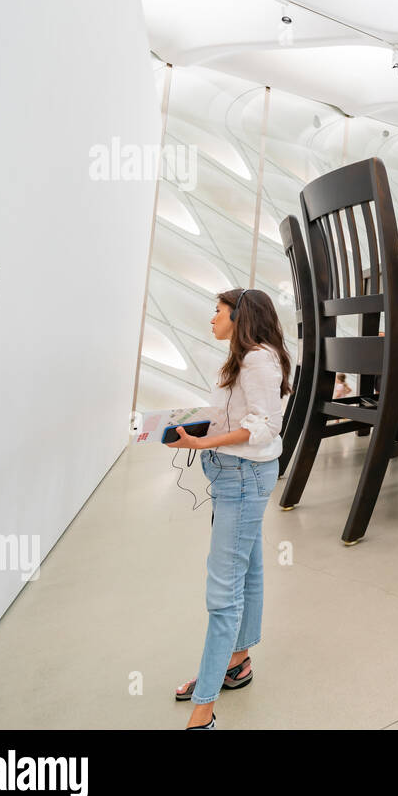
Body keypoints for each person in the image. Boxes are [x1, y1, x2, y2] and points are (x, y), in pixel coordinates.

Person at [165, 288, 291, 729]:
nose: (211, 318)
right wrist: (198, 428)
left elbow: (264, 425)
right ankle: (236, 662)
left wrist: (203, 442)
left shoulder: (256, 359)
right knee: (248, 570)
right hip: (239, 477)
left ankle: (204, 710)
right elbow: (242, 417)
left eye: (217, 311)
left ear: (240, 315)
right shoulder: (251, 358)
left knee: (224, 593)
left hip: (240, 479)